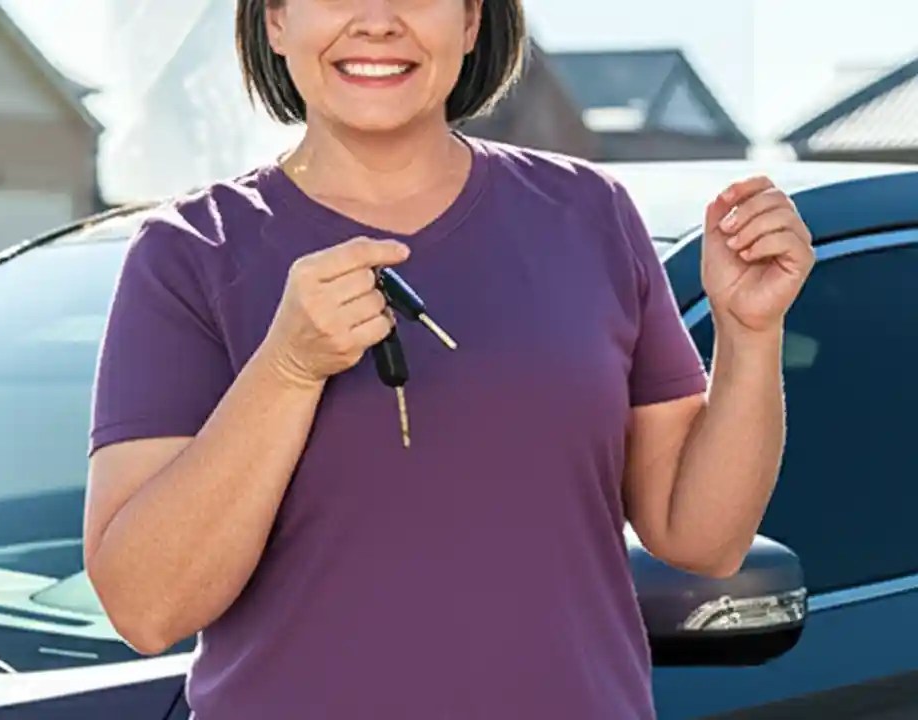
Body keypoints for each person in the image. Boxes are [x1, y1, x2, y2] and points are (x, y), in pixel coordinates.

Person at [82, 0, 815, 717]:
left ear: (472, 20)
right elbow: (147, 609)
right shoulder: (189, 254)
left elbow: (705, 540)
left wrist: (750, 335)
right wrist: (287, 371)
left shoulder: (591, 215)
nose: (376, 20)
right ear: (275, 19)